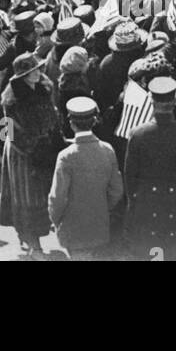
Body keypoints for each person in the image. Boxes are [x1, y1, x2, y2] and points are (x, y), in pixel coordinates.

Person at [122, 77, 176, 260]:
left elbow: (129, 176)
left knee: (149, 252)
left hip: (147, 204)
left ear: (151, 102)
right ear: (175, 102)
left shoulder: (137, 134)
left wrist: (133, 204)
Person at [0, 50, 62, 258]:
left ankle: (31, 236)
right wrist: (30, 148)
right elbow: (6, 130)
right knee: (26, 197)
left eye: (38, 68)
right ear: (23, 75)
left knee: (41, 194)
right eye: (33, 70)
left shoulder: (44, 88)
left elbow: (52, 115)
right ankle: (33, 243)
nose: (38, 73)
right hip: (22, 154)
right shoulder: (11, 98)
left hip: (44, 149)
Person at [47, 97, 122, 258]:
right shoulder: (108, 150)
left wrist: (56, 220)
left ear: (71, 123)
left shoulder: (66, 156)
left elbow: (57, 197)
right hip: (100, 225)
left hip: (73, 228)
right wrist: (102, 207)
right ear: (94, 121)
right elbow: (116, 190)